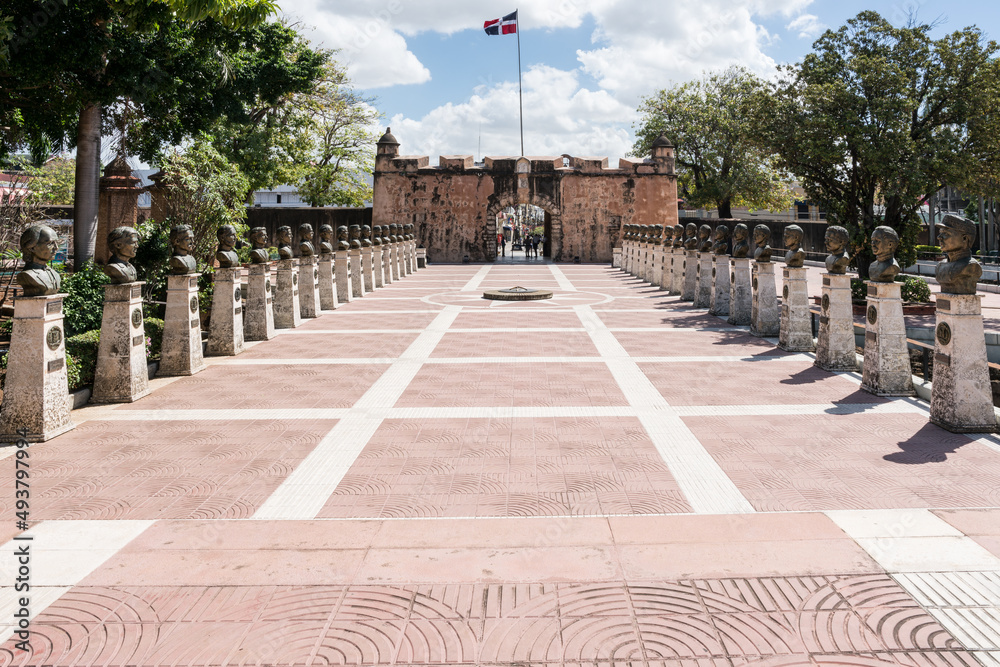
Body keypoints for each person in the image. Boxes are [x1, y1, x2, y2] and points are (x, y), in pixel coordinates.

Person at [16, 224, 61, 296]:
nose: (56, 247)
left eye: (56, 243)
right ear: (32, 248)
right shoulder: (27, 275)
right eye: (50, 243)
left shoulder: (55, 274)